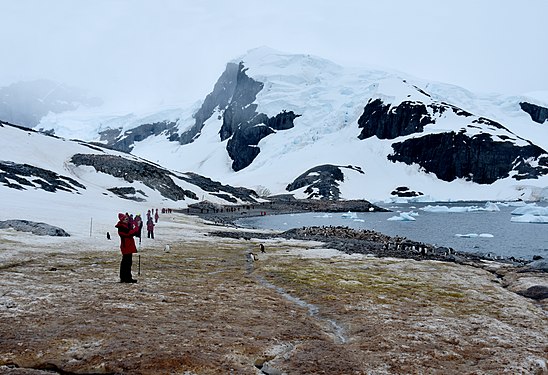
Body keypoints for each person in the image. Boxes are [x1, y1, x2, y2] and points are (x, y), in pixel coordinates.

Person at [115, 213, 139, 283]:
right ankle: (125, 278)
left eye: (127, 219)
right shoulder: (122, 227)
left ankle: (127, 278)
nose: (127, 220)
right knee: (126, 263)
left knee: (128, 263)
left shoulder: (125, 226)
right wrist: (136, 226)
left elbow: (132, 231)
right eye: (125, 219)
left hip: (128, 246)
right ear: (122, 220)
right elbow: (129, 233)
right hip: (126, 247)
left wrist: (135, 223)